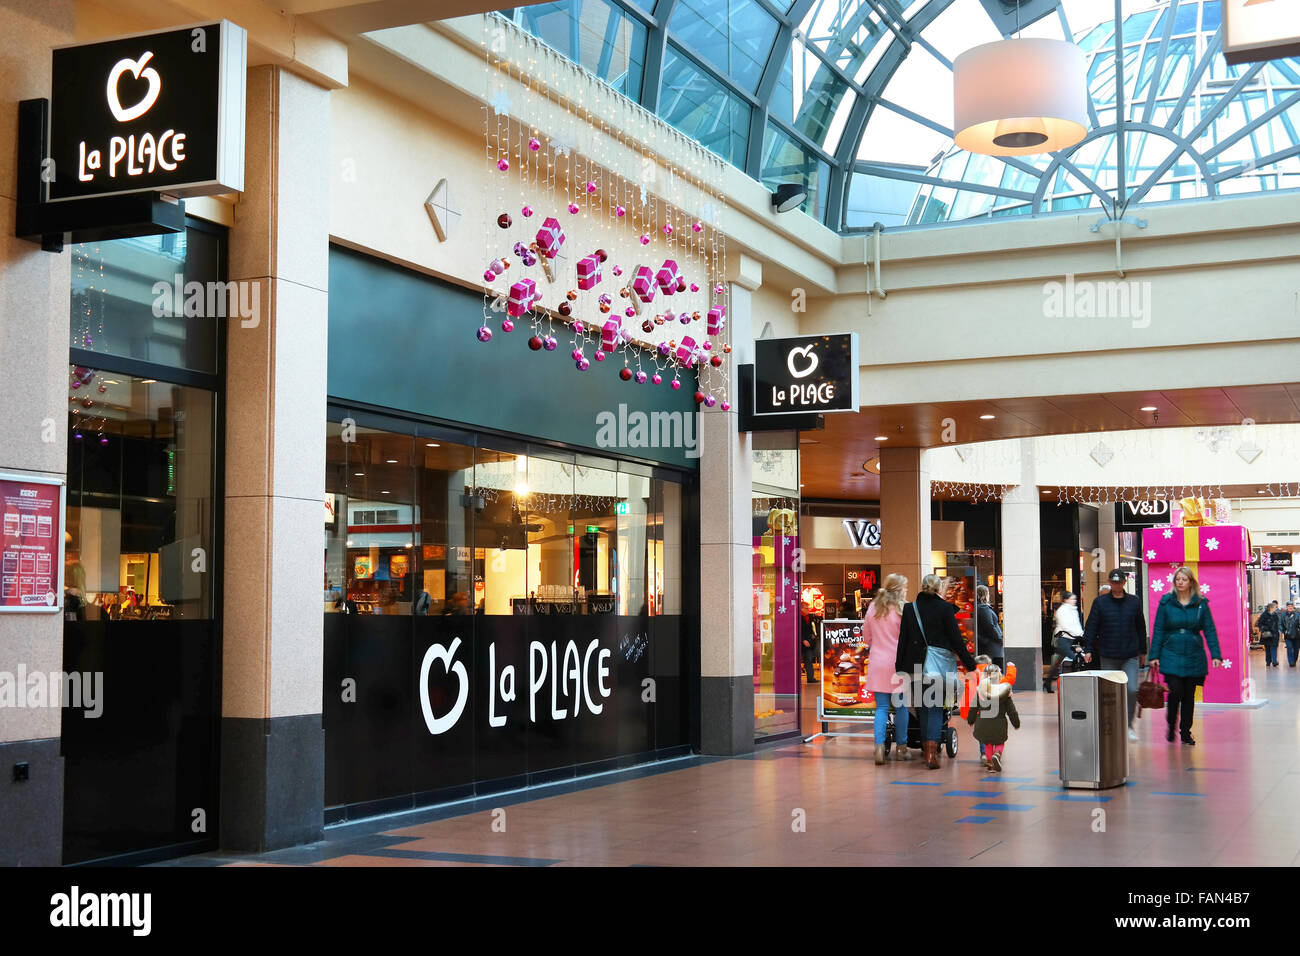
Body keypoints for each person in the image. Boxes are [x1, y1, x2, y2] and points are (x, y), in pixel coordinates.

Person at [896, 573, 978, 770]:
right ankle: (931, 753)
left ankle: (927, 747)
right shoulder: (945, 609)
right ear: (938, 589)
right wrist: (970, 664)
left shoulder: (909, 609)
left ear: (923, 587)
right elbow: (956, 639)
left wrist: (900, 667)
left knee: (923, 707)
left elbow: (903, 640)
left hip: (915, 665)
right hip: (939, 666)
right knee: (934, 706)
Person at [1148, 566, 1222, 745]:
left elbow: (1210, 630)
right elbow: (1158, 629)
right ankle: (1171, 725)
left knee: (1189, 695)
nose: (1180, 582)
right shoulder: (1166, 602)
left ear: (1191, 582)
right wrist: (1154, 655)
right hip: (1171, 652)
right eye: (1177, 579)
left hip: (1193, 654)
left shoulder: (1201, 604)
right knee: (1175, 692)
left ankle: (1186, 731)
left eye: (1184, 579)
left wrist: (1216, 654)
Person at [1082, 570, 1148, 742]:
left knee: (1132, 689)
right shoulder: (1100, 603)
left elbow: (1141, 627)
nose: (1116, 585)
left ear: (1124, 583)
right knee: (1109, 693)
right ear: (1109, 582)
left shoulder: (1134, 602)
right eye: (1113, 582)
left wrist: (1143, 651)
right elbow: (1091, 627)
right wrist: (1088, 649)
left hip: (1130, 655)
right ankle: (1111, 725)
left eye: (1119, 582)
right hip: (1108, 655)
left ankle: (1128, 725)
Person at [861, 574, 911, 765]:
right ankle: (902, 748)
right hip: (899, 664)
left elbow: (866, 637)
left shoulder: (874, 607)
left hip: (878, 662)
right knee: (901, 707)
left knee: (881, 708)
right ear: (899, 589)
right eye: (905, 587)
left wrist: (877, 645)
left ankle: (879, 748)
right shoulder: (903, 608)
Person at [966, 656, 1020, 773]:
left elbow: (973, 708)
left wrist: (970, 720)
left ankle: (990, 763)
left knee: (987, 743)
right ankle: (997, 754)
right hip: (999, 723)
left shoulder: (981, 690)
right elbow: (1012, 710)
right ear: (999, 675)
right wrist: (1016, 723)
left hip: (982, 723)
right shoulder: (1004, 691)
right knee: (999, 742)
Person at [1046, 591, 1085, 692]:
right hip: (1062, 640)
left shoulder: (1074, 610)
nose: (1074, 601)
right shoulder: (1062, 611)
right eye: (1072, 599)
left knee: (1057, 663)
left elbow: (1076, 624)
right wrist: (1079, 634)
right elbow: (1066, 626)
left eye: (1074, 599)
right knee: (1075, 658)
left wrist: (1081, 634)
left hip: (1070, 639)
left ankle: (1047, 682)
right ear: (1066, 600)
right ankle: (1076, 684)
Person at [975, 585, 1004, 673]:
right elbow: (990, 626)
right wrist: (999, 637)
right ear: (985, 594)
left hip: (990, 647)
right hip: (992, 648)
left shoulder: (979, 607)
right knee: (995, 673)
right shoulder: (983, 608)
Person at [1257, 601, 1280, 668]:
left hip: (1274, 634)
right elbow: (1260, 624)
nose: (1275, 608)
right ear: (1270, 608)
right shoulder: (1264, 615)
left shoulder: (1275, 615)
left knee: (1274, 647)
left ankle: (1274, 661)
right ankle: (1268, 661)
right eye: (1274, 607)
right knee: (1267, 649)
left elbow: (1277, 624)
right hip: (1267, 634)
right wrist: (1265, 628)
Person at [800, 608, 820, 684]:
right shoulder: (798, 618)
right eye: (806, 608)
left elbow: (814, 628)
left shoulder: (810, 617)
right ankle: (795, 678)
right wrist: (803, 640)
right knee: (800, 660)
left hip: (810, 643)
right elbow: (798, 629)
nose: (808, 610)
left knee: (808, 659)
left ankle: (810, 678)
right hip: (802, 642)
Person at [1284, 602, 1300, 668]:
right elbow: (1280, 624)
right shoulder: (1283, 615)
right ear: (1287, 607)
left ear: (1293, 607)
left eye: (1291, 606)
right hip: (1288, 635)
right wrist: (1284, 631)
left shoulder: (1297, 615)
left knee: (1296, 649)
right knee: (1289, 647)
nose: (1290, 607)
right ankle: (1291, 662)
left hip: (1297, 635)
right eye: (1289, 606)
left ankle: (1294, 660)